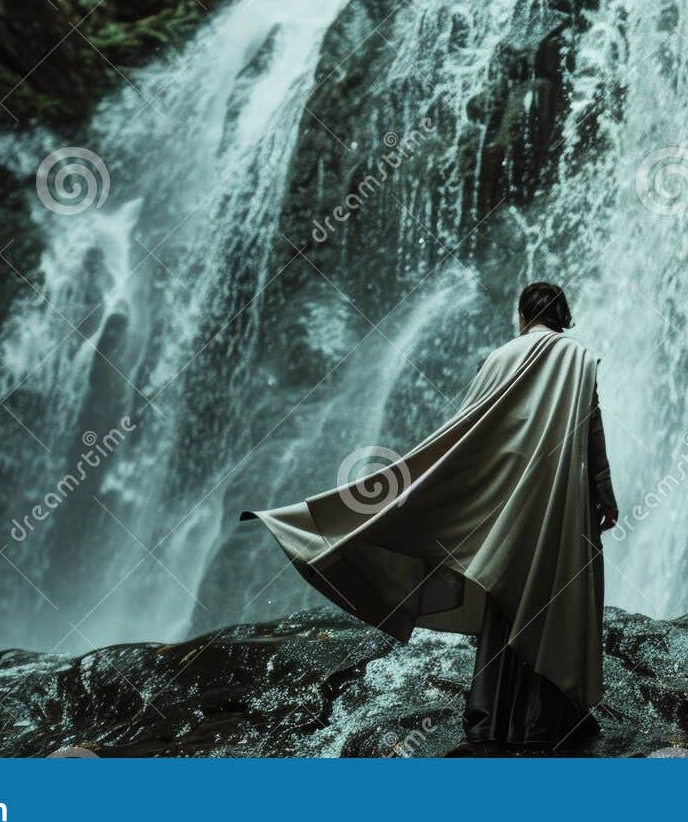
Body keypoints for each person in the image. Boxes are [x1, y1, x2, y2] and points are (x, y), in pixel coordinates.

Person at [241, 281, 618, 749]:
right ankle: (553, 719)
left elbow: (468, 439)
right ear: (563, 315)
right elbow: (591, 429)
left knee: (506, 600)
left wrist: (442, 493)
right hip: (561, 501)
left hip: (507, 504)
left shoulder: (499, 358)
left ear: (523, 315)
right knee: (557, 597)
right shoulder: (579, 358)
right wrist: (604, 493)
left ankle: (491, 719)